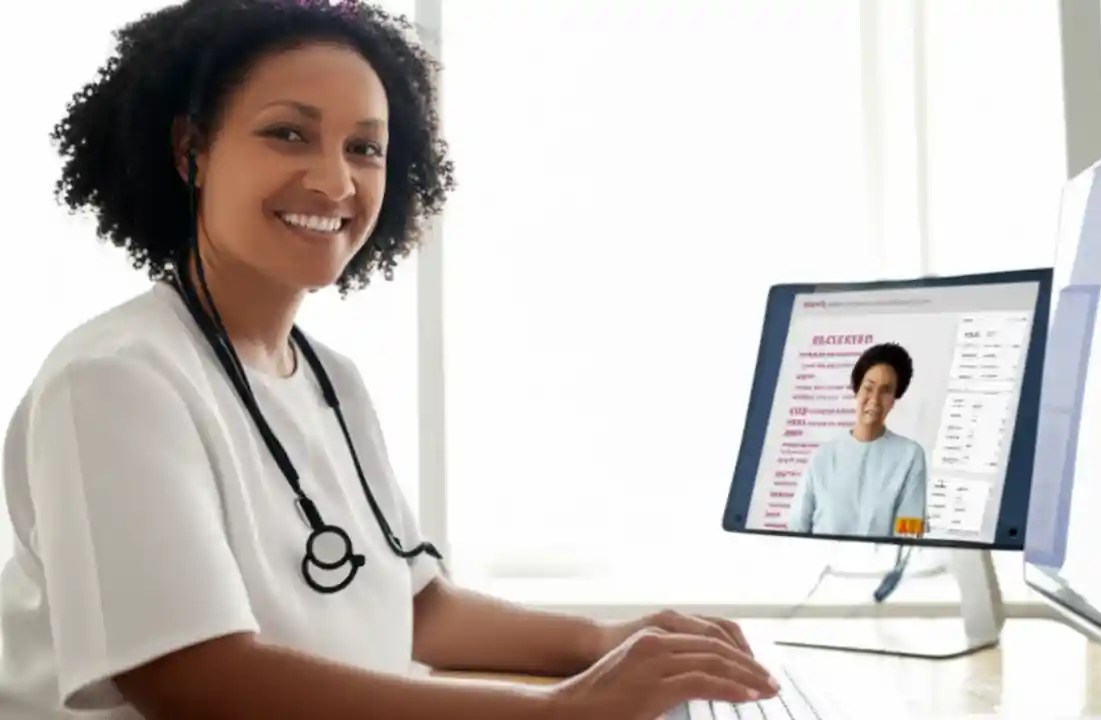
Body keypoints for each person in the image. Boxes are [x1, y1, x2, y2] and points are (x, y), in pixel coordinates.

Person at [0, 2, 778, 718]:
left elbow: (413, 606)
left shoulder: (330, 379)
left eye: (364, 148)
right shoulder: (113, 381)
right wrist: (556, 712)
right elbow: (195, 679)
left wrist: (605, 641)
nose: (336, 180)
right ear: (190, 151)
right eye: (288, 133)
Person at [787, 342, 928, 537]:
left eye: (886, 391)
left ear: (895, 398)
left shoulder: (910, 456)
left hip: (881, 567)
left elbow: (910, 535)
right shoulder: (823, 456)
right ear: (857, 389)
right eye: (868, 388)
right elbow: (796, 528)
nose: (875, 399)